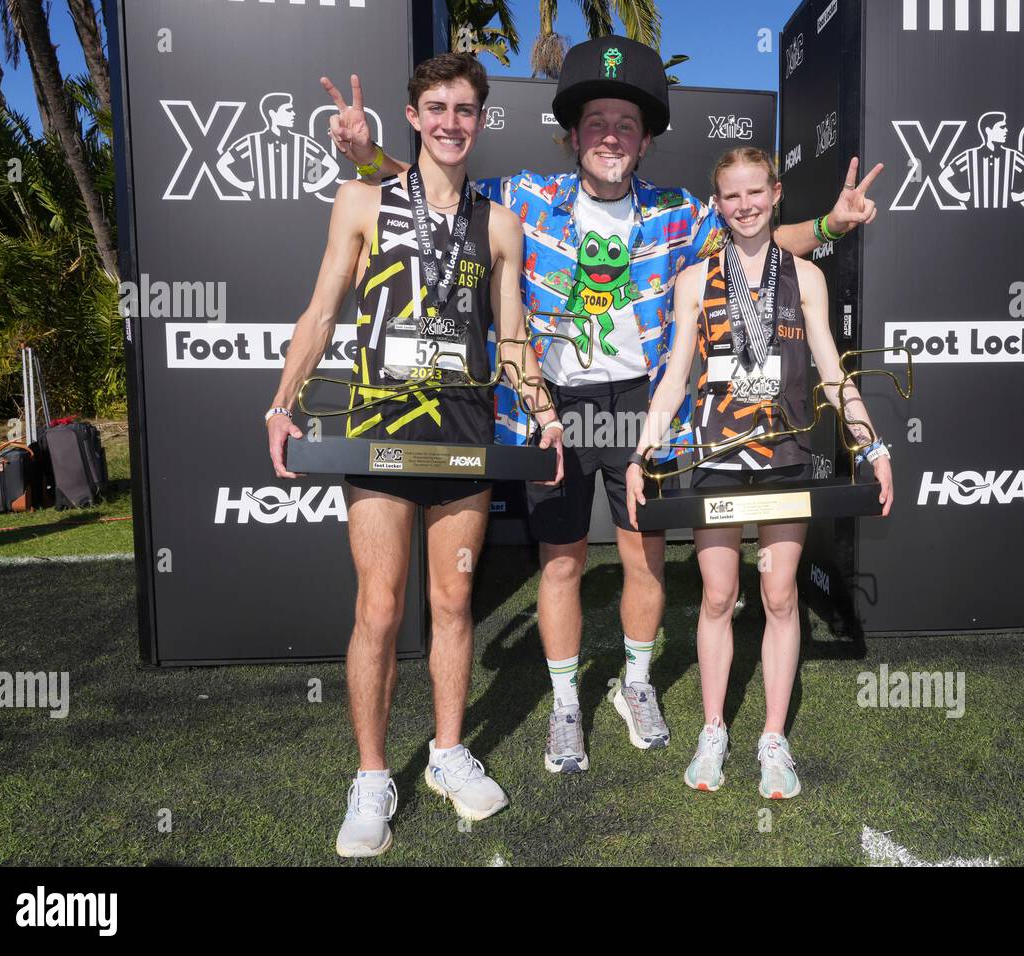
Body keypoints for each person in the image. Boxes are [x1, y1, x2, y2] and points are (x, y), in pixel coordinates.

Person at [322, 37, 885, 774]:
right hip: (554, 403)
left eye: (625, 123)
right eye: (596, 123)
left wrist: (836, 224)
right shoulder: (525, 198)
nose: (610, 135)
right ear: (573, 135)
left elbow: (761, 239)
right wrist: (365, 157)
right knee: (560, 562)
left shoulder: (680, 213)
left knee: (642, 556)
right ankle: (565, 704)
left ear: (646, 139)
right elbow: (427, 190)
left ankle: (638, 684)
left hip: (644, 404)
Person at [265, 54, 564, 857]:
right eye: (436, 107)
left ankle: (446, 752)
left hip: (465, 438)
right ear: (412, 116)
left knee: (455, 603)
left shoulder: (499, 223)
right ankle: (370, 777)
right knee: (379, 606)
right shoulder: (361, 199)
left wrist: (541, 411)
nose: (451, 122)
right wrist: (282, 401)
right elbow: (322, 310)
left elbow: (511, 339)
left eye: (465, 108)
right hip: (378, 430)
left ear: (481, 118)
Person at [625, 147, 894, 798]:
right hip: (716, 459)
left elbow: (832, 371)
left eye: (754, 193)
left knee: (778, 596)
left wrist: (875, 447)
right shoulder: (695, 280)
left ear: (775, 194)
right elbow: (674, 379)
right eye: (730, 196)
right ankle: (713, 728)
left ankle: (772, 737)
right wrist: (640, 455)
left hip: (784, 459)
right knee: (718, 596)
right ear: (716, 204)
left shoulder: (804, 277)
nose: (743, 205)